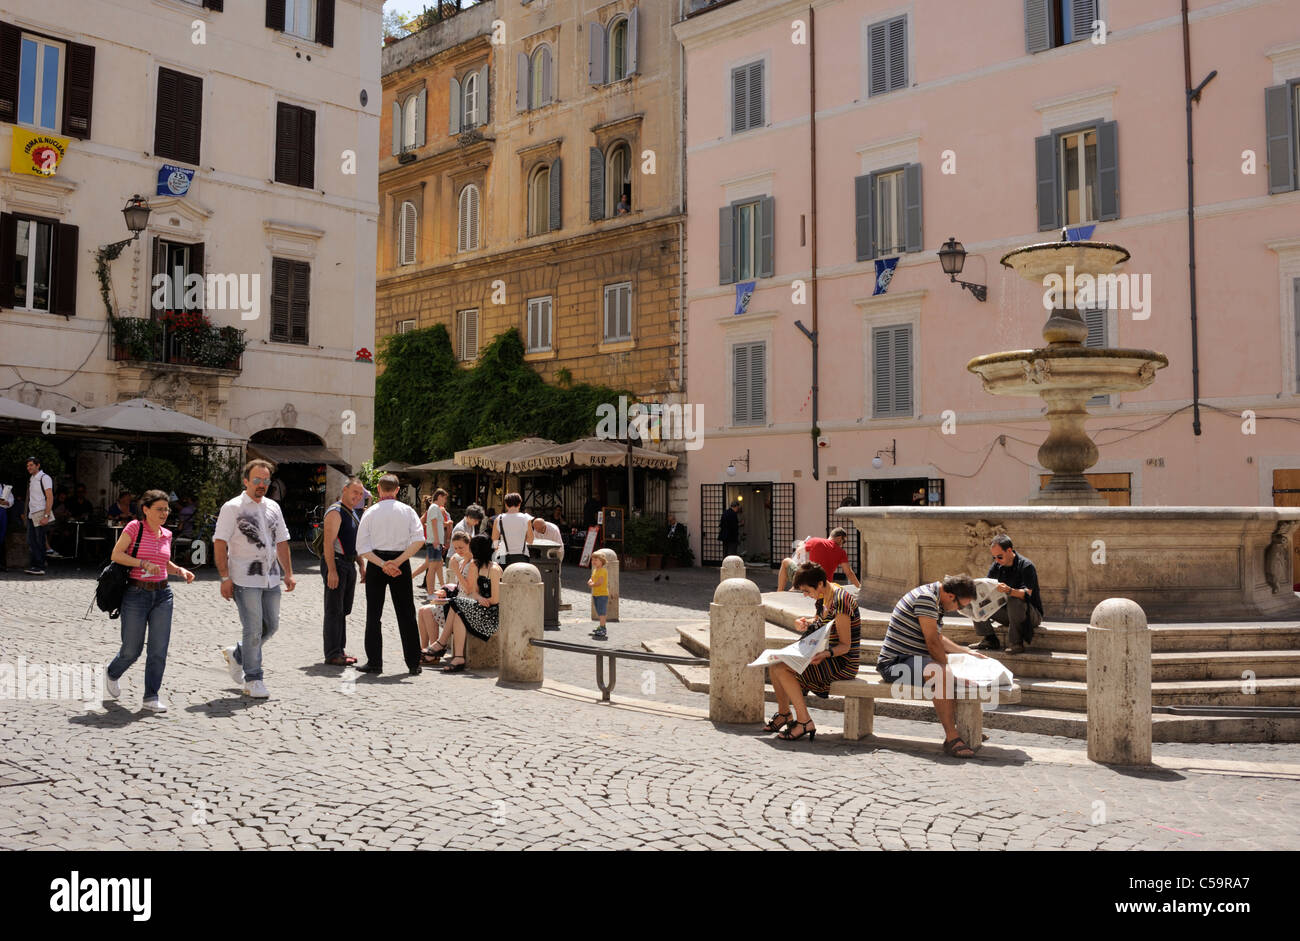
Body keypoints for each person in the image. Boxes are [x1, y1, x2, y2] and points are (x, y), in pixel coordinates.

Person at [103, 490, 196, 712]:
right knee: (131, 650)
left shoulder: (167, 533)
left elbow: (164, 562)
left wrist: (179, 570)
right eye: (159, 509)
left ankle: (150, 696)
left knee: (158, 649)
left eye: (166, 509)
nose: (164, 513)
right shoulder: (134, 527)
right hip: (136, 594)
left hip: (163, 595)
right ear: (146, 509)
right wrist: (142, 563)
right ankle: (112, 673)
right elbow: (116, 555)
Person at [877, 574, 987, 758]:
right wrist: (949, 670)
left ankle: (964, 727)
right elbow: (932, 642)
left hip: (914, 660)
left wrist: (966, 652)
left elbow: (938, 638)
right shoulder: (926, 599)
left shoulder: (935, 599)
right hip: (895, 663)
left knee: (957, 669)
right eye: (960, 606)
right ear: (952, 596)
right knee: (942, 674)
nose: (958, 610)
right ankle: (952, 737)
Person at [214, 459, 295, 699]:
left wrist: (288, 572)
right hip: (244, 577)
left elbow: (281, 541)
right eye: (257, 480)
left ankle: (238, 654)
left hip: (271, 577)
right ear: (246, 481)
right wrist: (224, 577)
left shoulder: (273, 507)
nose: (261, 485)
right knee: (253, 629)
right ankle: (253, 679)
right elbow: (219, 542)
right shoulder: (232, 507)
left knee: (271, 626)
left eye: (266, 480)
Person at [763, 562, 862, 742]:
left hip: (841, 662)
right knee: (775, 663)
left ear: (820, 584)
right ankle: (785, 714)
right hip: (821, 654)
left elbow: (845, 645)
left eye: (807, 591)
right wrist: (806, 622)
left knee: (781, 669)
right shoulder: (824, 596)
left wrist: (825, 654)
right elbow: (820, 621)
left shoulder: (841, 601)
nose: (805, 595)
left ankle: (804, 721)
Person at [354, 474, 427, 676]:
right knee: (406, 614)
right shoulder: (408, 511)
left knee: (373, 614)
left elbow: (361, 547)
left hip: (377, 563)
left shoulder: (370, 513)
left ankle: (375, 662)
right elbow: (419, 540)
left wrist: (383, 563)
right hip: (400, 563)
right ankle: (413, 663)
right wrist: (398, 561)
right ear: (397, 490)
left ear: (378, 489)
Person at [428, 533, 501, 673]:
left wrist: (478, 598)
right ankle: (458, 656)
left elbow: (495, 600)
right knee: (459, 611)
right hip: (478, 607)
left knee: (458, 605)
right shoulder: (475, 565)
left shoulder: (494, 569)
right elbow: (472, 591)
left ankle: (441, 643)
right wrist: (478, 598)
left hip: (490, 615)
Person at [972, 535, 1043, 654]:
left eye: (999, 557)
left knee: (1014, 599)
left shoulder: (1026, 566)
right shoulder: (997, 565)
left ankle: (1016, 643)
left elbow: (1028, 594)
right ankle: (990, 639)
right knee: (974, 598)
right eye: (994, 557)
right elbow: (987, 585)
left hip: (1030, 615)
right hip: (1008, 613)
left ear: (1009, 551)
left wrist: (1009, 590)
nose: (997, 560)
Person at [321, 477, 366, 667]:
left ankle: (340, 649)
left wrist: (361, 564)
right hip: (337, 564)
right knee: (334, 610)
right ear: (345, 490)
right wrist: (331, 570)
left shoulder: (353, 512)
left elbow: (353, 542)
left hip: (349, 564)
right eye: (354, 492)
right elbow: (328, 544)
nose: (357, 496)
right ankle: (332, 653)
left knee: (343, 610)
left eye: (360, 494)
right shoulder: (335, 512)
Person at [417, 530, 472, 663]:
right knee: (422, 610)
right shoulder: (462, 560)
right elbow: (459, 587)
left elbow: (468, 589)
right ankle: (425, 649)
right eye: (456, 548)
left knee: (428, 611)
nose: (458, 550)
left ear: (469, 544)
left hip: (464, 606)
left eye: (461, 547)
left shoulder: (472, 563)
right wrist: (446, 592)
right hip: (456, 601)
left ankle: (433, 653)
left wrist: (456, 570)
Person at [777, 528, 861, 594]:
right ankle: (796, 588)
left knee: (786, 561)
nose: (843, 544)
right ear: (839, 538)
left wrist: (801, 544)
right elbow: (849, 573)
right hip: (824, 585)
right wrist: (859, 587)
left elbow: (799, 551)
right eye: (844, 541)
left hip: (808, 580)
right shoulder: (841, 552)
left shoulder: (815, 541)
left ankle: (779, 592)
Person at [21, 456, 54, 575]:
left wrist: (46, 516)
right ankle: (35, 565)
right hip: (31, 514)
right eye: (27, 465)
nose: (28, 467)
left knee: (39, 540)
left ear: (38, 465)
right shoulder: (32, 478)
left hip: (40, 512)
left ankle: (40, 566)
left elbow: (50, 497)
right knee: (31, 540)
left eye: (31, 465)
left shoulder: (44, 478)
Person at [418, 487, 452, 592]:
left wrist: (446, 524)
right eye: (444, 498)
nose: (445, 501)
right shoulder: (434, 507)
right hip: (434, 541)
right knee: (432, 568)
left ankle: (441, 589)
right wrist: (436, 540)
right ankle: (431, 592)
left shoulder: (435, 508)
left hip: (436, 541)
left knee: (436, 566)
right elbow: (433, 523)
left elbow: (437, 523)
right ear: (440, 497)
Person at [492, 492, 534, 565]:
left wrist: (497, 550)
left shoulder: (499, 518)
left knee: (502, 576)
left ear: (506, 504)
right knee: (520, 576)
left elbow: (494, 539)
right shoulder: (526, 518)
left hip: (502, 554)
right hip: (522, 554)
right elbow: (530, 540)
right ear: (519, 504)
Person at [588, 553, 610, 641]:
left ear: (602, 561)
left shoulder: (603, 571)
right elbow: (592, 578)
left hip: (602, 594)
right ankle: (601, 626)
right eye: (593, 560)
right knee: (599, 611)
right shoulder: (595, 570)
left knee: (602, 612)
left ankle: (603, 628)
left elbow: (600, 582)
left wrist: (592, 584)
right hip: (596, 594)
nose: (594, 562)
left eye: (596, 560)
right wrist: (590, 581)